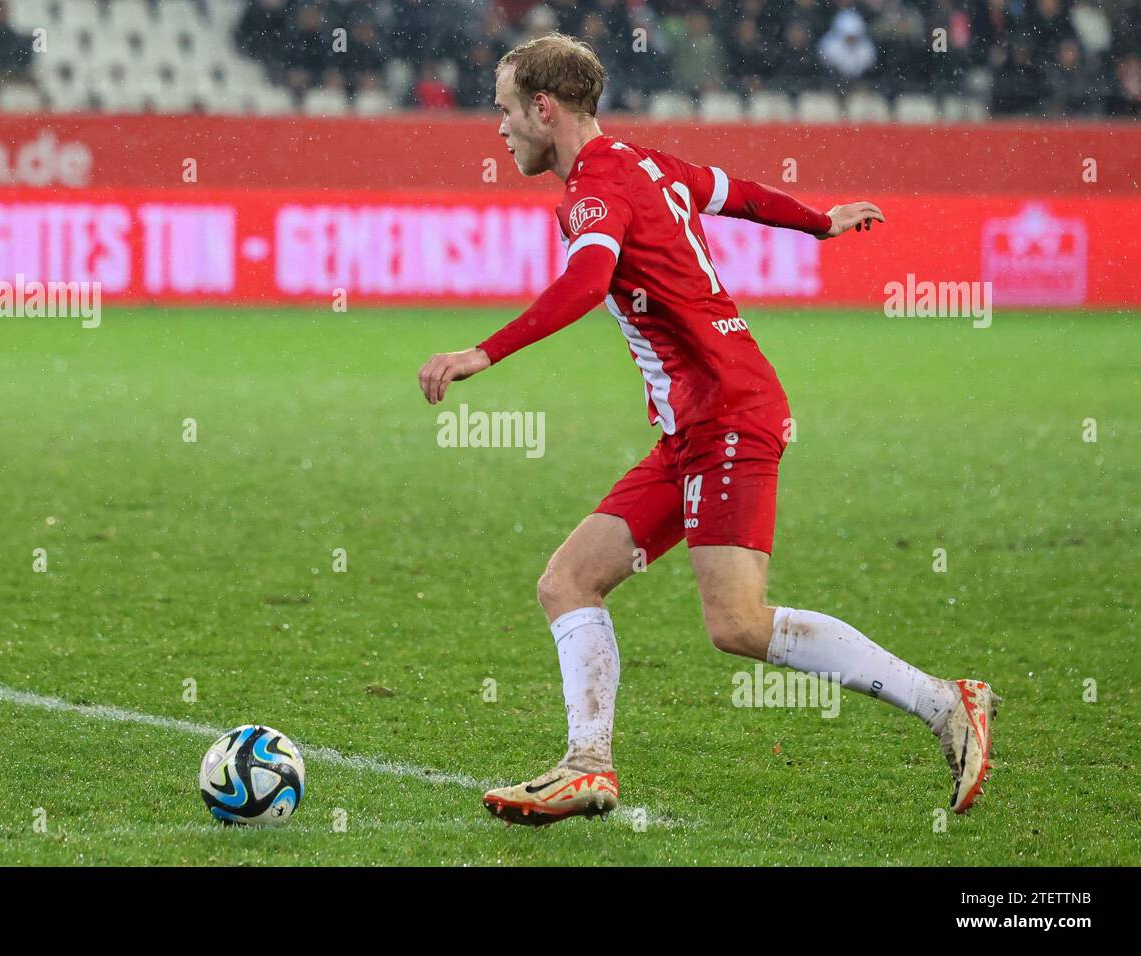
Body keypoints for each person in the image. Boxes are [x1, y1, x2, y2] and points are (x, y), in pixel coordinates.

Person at [417, 33, 999, 827]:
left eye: (505, 109)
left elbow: (588, 281)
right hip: (693, 425)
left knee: (737, 623)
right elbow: (738, 193)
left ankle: (943, 703)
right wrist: (818, 221)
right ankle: (588, 766)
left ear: (543, 108)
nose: (500, 128)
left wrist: (483, 351)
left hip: (728, 415)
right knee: (568, 583)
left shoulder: (595, 189)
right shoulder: (649, 162)